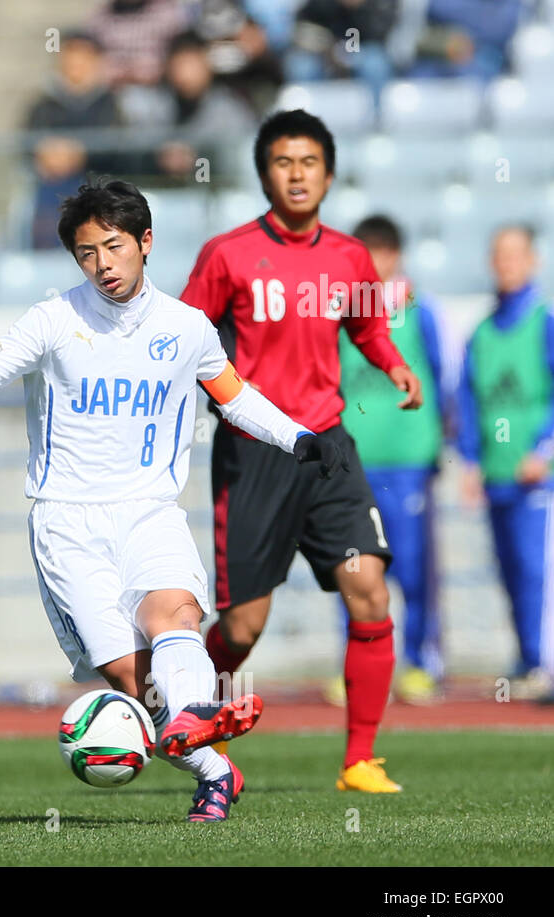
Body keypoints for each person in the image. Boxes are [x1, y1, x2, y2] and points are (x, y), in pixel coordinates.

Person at [0, 180, 347, 822]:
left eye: (114, 246)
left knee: (175, 618)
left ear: (145, 243)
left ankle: (194, 716)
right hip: (66, 523)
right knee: (133, 679)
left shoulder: (187, 329)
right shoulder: (56, 319)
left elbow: (233, 395)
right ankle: (214, 766)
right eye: (87, 252)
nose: (102, 264)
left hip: (150, 513)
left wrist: (298, 438)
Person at [180, 110, 424, 794]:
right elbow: (183, 338)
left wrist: (396, 365)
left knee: (368, 587)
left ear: (328, 173)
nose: (296, 173)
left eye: (308, 162)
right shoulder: (227, 254)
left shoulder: (350, 258)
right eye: (283, 162)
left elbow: (368, 326)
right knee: (244, 626)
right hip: (254, 451)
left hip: (328, 446)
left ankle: (360, 761)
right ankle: (182, 715)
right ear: (265, 173)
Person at [330, 214, 448, 706]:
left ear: (395, 256)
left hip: (408, 463)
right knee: (353, 569)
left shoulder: (420, 311)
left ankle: (422, 663)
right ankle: (354, 664)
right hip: (354, 464)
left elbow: (443, 377)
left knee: (416, 567)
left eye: (378, 253)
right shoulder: (337, 311)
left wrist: (443, 447)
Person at [457, 224, 554, 701]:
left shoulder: (545, 322)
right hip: (498, 476)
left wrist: (543, 450)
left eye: (515, 254)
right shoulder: (481, 332)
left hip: (540, 481)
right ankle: (526, 657)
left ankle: (543, 661)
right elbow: (470, 402)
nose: (506, 262)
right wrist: (471, 461)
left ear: (532, 260)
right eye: (499, 254)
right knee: (511, 569)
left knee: (540, 571)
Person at [24, 29, 123, 248]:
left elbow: (117, 148)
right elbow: (29, 145)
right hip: (53, 189)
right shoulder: (44, 104)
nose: (75, 65)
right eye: (70, 56)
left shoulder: (110, 104)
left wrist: (81, 153)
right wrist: (48, 155)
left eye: (83, 57)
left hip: (99, 186)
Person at [119, 30, 257, 183]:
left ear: (207, 65)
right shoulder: (154, 106)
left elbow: (235, 166)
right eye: (180, 65)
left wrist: (197, 161)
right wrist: (158, 155)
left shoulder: (228, 110)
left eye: (192, 64)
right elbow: (133, 153)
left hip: (216, 196)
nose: (186, 73)